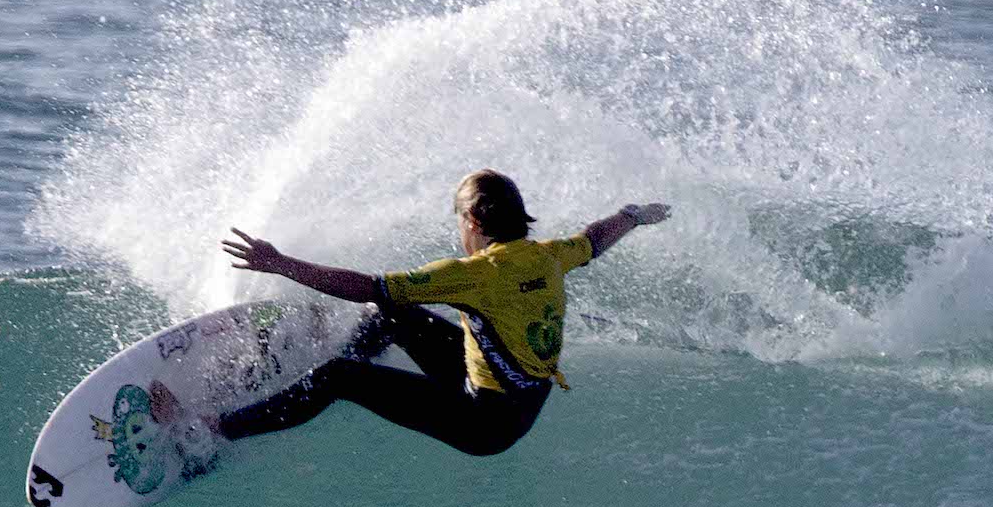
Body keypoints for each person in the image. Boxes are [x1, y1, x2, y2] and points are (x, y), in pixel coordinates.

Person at [211, 169, 670, 456]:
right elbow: (596, 238)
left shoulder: (475, 273)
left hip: (483, 423)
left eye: (459, 221)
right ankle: (341, 361)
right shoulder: (551, 254)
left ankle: (219, 430)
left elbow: (366, 286)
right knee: (393, 315)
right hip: (514, 402)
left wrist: (279, 263)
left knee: (339, 377)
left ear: (472, 221)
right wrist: (633, 214)